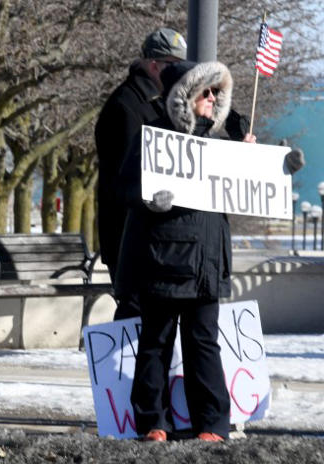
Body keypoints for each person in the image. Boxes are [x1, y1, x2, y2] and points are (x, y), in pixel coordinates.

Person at [116, 60, 303, 443]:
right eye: (206, 91)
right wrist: (149, 200)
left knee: (203, 343)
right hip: (164, 261)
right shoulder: (154, 140)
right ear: (185, 96)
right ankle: (153, 423)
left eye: (216, 92)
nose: (213, 98)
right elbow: (125, 188)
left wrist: (282, 167)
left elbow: (254, 184)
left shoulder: (223, 146)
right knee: (156, 342)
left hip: (207, 263)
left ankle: (212, 425)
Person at [94, 27, 186, 320]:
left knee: (150, 319)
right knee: (135, 314)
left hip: (151, 237)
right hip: (129, 237)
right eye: (175, 65)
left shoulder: (157, 103)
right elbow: (125, 177)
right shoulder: (126, 106)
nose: (182, 73)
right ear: (155, 65)